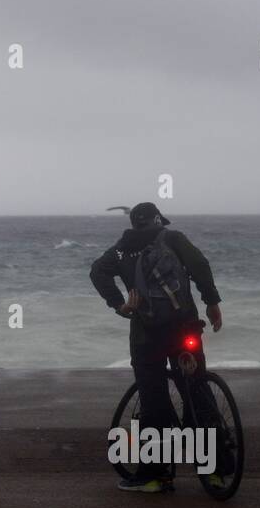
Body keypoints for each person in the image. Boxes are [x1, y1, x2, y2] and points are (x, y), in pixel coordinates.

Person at [90, 203, 223, 493]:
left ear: (133, 224)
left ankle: (155, 476)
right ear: (157, 220)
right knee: (198, 393)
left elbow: (97, 272)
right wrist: (212, 302)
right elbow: (200, 265)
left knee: (153, 403)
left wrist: (120, 306)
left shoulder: (121, 250)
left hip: (146, 335)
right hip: (184, 330)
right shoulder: (173, 239)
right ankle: (215, 472)